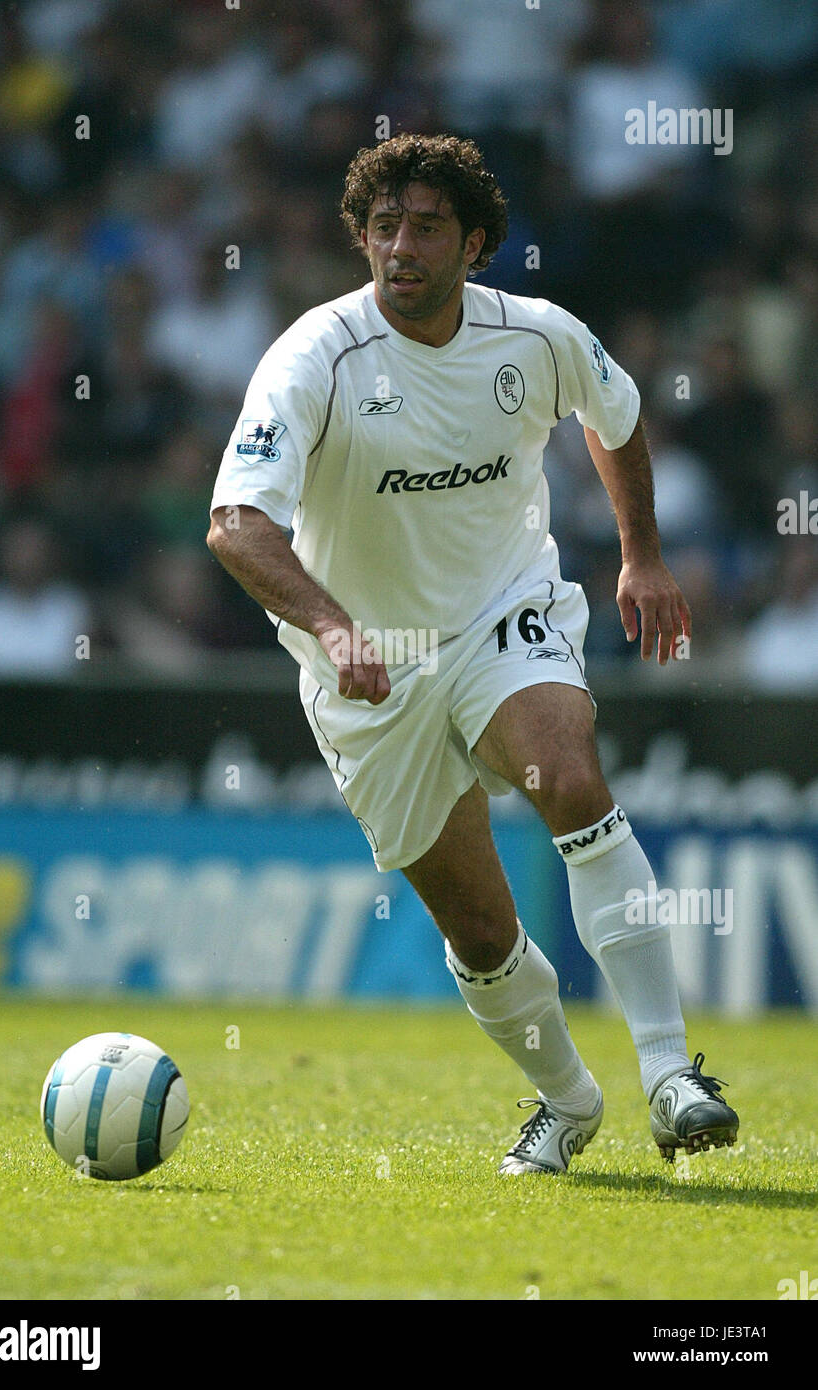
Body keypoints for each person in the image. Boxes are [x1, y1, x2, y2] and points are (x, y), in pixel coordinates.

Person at [207, 133, 738, 1175]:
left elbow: (616, 415)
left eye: (426, 226)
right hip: (365, 671)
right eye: (382, 227)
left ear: (477, 244)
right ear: (361, 238)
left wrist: (639, 556)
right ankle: (567, 1100)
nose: (400, 247)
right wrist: (330, 627)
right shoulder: (314, 357)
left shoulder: (535, 337)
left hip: (502, 612)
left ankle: (672, 1074)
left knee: (570, 778)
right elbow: (234, 525)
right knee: (481, 931)